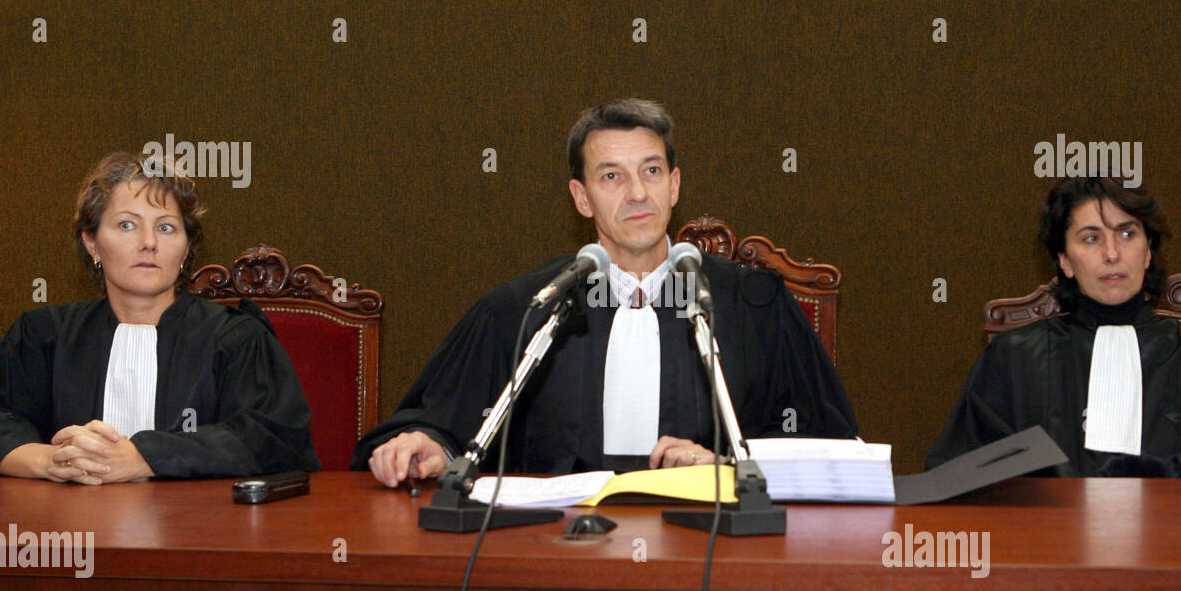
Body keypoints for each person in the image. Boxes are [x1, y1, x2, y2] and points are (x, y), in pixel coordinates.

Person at [355, 98, 858, 486]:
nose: (637, 192)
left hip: (712, 554)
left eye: (652, 171)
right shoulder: (525, 310)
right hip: (557, 558)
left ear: (675, 185)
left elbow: (832, 450)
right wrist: (428, 447)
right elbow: (441, 424)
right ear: (582, 198)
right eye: (612, 176)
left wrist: (725, 466)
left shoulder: (753, 304)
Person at [927, 176, 1181, 477]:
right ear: (1065, 260)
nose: (1112, 253)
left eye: (1127, 234)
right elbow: (957, 474)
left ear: (1148, 252)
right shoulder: (1012, 360)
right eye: (1091, 237)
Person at [0, 152, 320, 483]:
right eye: (126, 225)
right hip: (72, 530)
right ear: (91, 242)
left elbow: (274, 440)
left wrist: (144, 457)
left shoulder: (237, 338)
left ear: (187, 248)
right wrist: (50, 460)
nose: (148, 243)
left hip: (200, 530)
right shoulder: (43, 335)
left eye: (165, 228)